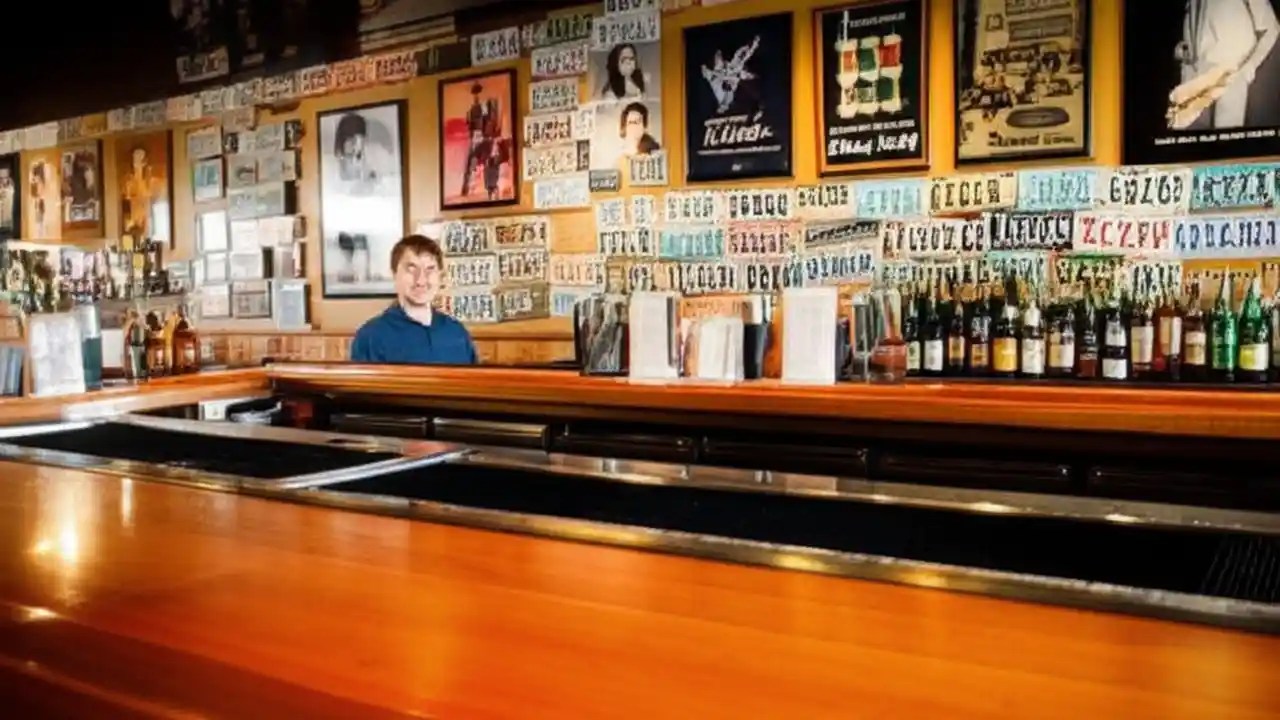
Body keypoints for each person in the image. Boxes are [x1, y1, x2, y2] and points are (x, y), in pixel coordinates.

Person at [349, 234, 478, 365]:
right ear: (394, 274)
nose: (421, 280)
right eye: (411, 269)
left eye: (430, 269)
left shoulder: (456, 332)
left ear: (440, 276)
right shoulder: (370, 337)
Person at [1171, 0, 1280, 129]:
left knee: (1226, 139)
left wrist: (1247, 70)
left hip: (1229, 77)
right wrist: (1182, 50)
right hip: (1194, 77)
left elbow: (1271, 28)